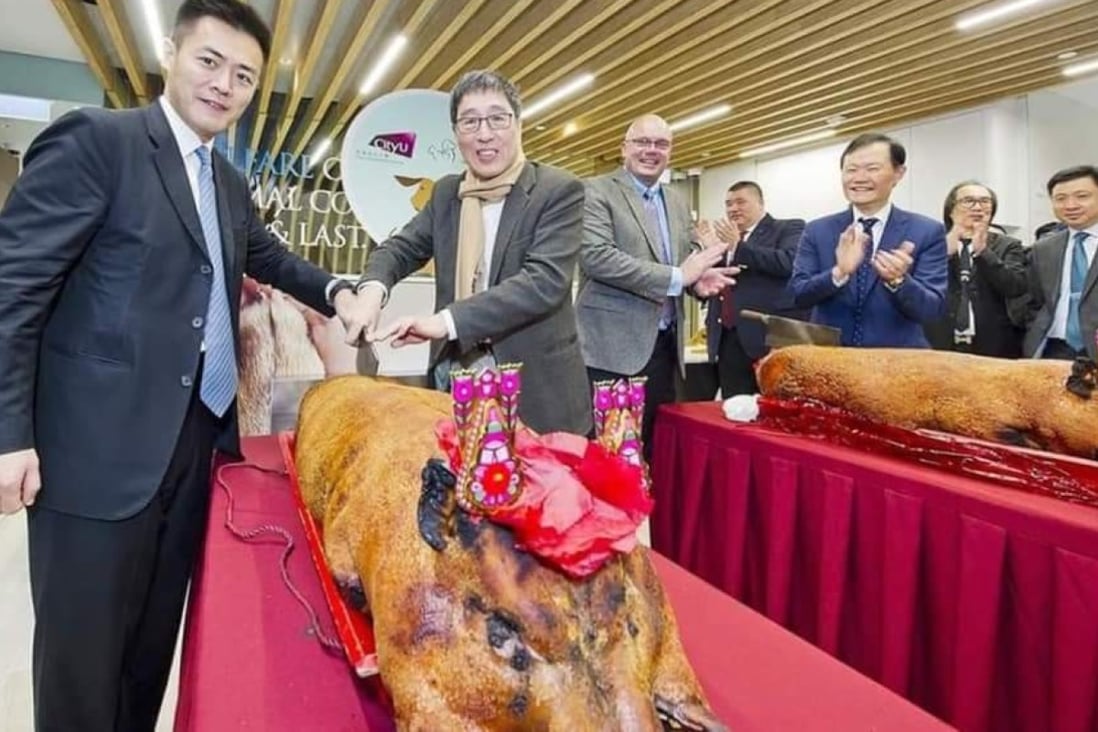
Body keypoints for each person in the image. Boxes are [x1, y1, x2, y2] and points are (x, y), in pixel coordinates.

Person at [0, 2, 363, 729]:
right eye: (209, 62)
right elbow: (15, 287)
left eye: (243, 76)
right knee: (82, 665)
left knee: (148, 653)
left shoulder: (226, 183)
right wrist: (10, 434)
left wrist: (339, 289)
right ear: (172, 54)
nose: (223, 85)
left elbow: (268, 257)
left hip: (196, 448)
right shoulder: (98, 142)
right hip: (94, 455)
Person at [341, 70, 592, 435]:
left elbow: (543, 283)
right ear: (456, 133)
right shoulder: (447, 193)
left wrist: (444, 321)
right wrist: (371, 291)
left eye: (497, 118)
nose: (484, 134)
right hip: (455, 378)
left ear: (518, 124)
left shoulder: (558, 190)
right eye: (470, 121)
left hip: (537, 393)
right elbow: (400, 248)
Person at [573, 114, 734, 456]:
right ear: (624, 149)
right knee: (609, 452)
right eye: (642, 142)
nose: (651, 150)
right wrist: (680, 278)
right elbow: (597, 258)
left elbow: (684, 258)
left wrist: (698, 282)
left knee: (649, 449)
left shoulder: (675, 200)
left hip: (664, 348)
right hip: (610, 351)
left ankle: (647, 511)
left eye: (661, 144)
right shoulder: (595, 191)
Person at [790, 132, 947, 347]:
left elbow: (932, 310)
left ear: (899, 173)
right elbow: (798, 296)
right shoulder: (817, 230)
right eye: (851, 170)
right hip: (831, 361)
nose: (859, 178)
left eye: (872, 169)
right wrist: (839, 273)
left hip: (897, 363)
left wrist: (898, 281)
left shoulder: (926, 231)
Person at [707, 181, 805, 396]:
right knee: (733, 408)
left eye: (740, 202)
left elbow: (788, 263)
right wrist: (706, 254)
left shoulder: (789, 228)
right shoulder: (722, 242)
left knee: (773, 410)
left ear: (761, 203)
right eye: (728, 204)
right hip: (727, 339)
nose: (733, 209)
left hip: (768, 339)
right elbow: (711, 285)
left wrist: (738, 247)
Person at [923, 181, 1028, 357]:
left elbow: (1015, 287)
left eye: (985, 202)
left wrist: (984, 253)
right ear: (951, 209)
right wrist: (944, 253)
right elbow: (917, 283)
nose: (977, 207)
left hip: (993, 343)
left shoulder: (1008, 245)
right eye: (968, 201)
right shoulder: (931, 242)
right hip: (938, 340)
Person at [1024, 165, 1098, 361]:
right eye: (1060, 198)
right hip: (1054, 350)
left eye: (1082, 196)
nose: (1070, 205)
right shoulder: (1044, 248)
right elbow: (1033, 301)